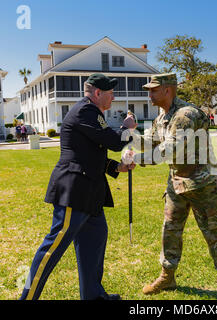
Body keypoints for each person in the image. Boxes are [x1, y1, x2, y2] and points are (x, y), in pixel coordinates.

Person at [20, 74, 136, 300]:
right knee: (51, 250)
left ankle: (93, 295)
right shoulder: (86, 111)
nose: (113, 97)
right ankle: (27, 297)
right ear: (97, 93)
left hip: (90, 193)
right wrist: (127, 127)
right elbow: (112, 142)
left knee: (95, 240)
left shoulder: (92, 113)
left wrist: (116, 168)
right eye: (110, 93)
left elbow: (89, 153)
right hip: (74, 192)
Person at [127, 73, 217, 300]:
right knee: (170, 230)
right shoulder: (163, 116)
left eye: (153, 90)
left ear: (168, 90)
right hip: (177, 183)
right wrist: (131, 132)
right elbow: (151, 141)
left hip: (202, 185)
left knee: (213, 232)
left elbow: (168, 150)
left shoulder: (185, 115)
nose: (149, 94)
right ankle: (168, 276)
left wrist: (135, 160)